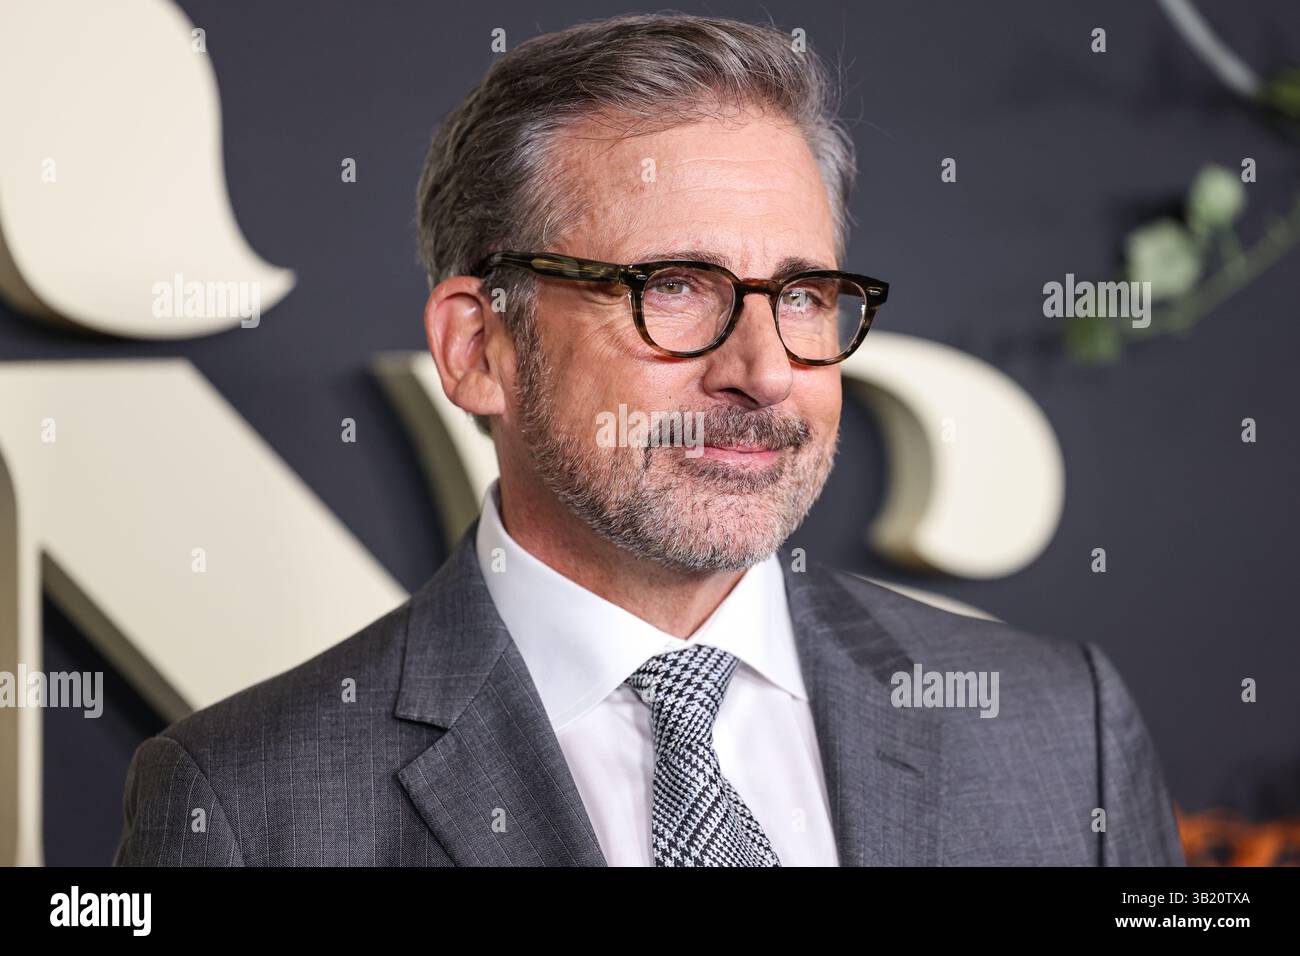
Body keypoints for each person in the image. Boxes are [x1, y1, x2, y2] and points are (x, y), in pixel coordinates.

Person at [114, 12, 1184, 867]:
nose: (763, 370)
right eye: (673, 287)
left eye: (804, 296)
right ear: (478, 347)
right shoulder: (247, 808)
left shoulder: (1059, 728)